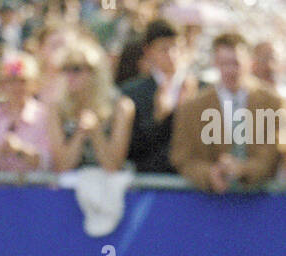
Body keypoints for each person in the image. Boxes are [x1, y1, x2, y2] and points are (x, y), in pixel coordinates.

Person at [170, 32, 283, 194]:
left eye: (236, 63)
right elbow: (183, 158)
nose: (230, 70)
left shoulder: (273, 103)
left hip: (261, 202)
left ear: (250, 62)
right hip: (210, 203)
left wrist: (243, 169)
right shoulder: (192, 107)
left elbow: (272, 155)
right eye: (224, 63)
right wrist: (210, 173)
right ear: (215, 63)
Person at [48, 33, 135, 172]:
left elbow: (113, 167)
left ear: (96, 72)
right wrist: (80, 134)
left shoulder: (122, 106)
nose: (69, 75)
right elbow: (61, 166)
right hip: (70, 189)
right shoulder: (56, 108)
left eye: (76, 68)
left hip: (110, 190)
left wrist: (96, 132)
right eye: (65, 68)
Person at [122, 19, 198, 175]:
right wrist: (159, 119)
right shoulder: (132, 92)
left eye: (177, 47)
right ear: (148, 51)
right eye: (164, 49)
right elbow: (132, 150)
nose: (172, 55)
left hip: (194, 182)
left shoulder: (202, 89)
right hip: (152, 182)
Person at [0, 51, 52, 174]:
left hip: (33, 191)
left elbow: (50, 162)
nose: (16, 87)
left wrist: (21, 150)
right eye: (10, 81)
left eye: (23, 81)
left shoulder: (45, 117)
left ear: (34, 84)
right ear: (1, 84)